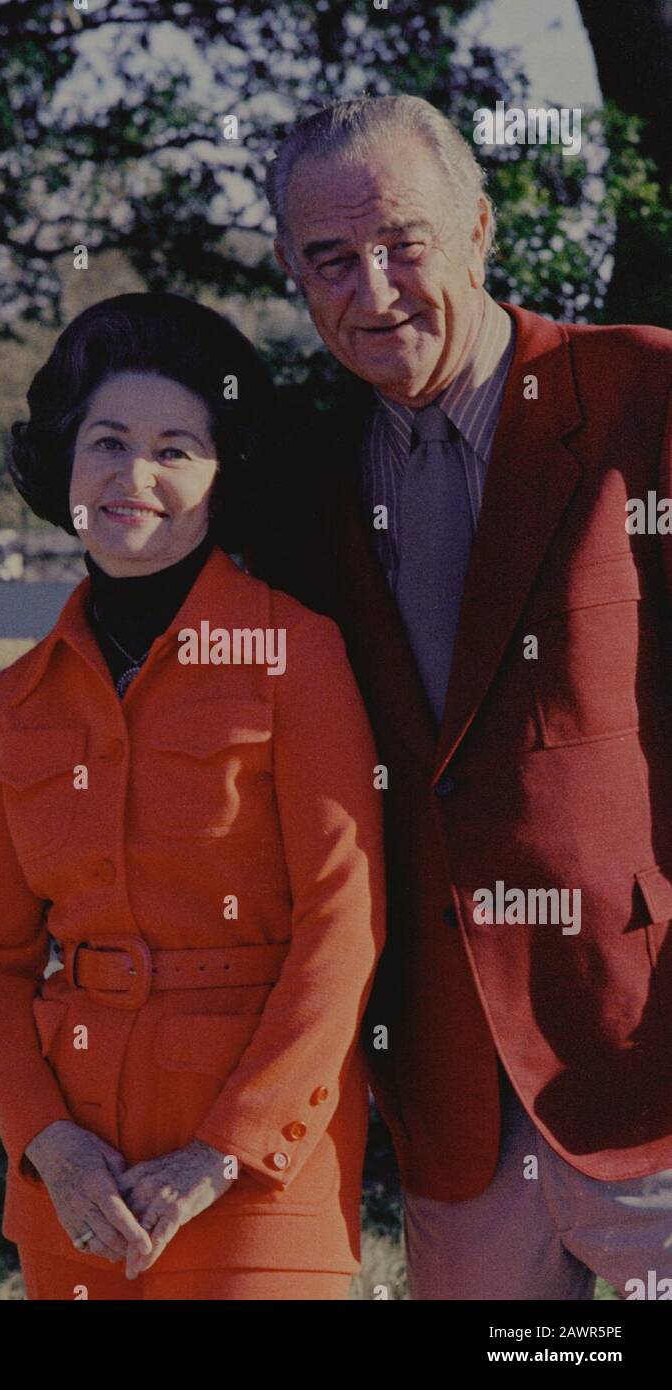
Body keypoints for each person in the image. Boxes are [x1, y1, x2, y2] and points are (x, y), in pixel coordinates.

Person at [249, 93, 672, 1301]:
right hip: (450, 1091)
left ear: (480, 230)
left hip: (645, 1054)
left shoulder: (643, 396)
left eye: (404, 244)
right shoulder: (302, 491)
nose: (374, 289)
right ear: (292, 272)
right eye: (332, 259)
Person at [0, 291, 385, 1301]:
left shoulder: (295, 654)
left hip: (258, 1178)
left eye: (174, 450)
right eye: (106, 442)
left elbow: (344, 928)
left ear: (225, 479)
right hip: (75, 1181)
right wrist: (46, 1141)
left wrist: (223, 1151)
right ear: (65, 463)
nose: (132, 476)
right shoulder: (20, 698)